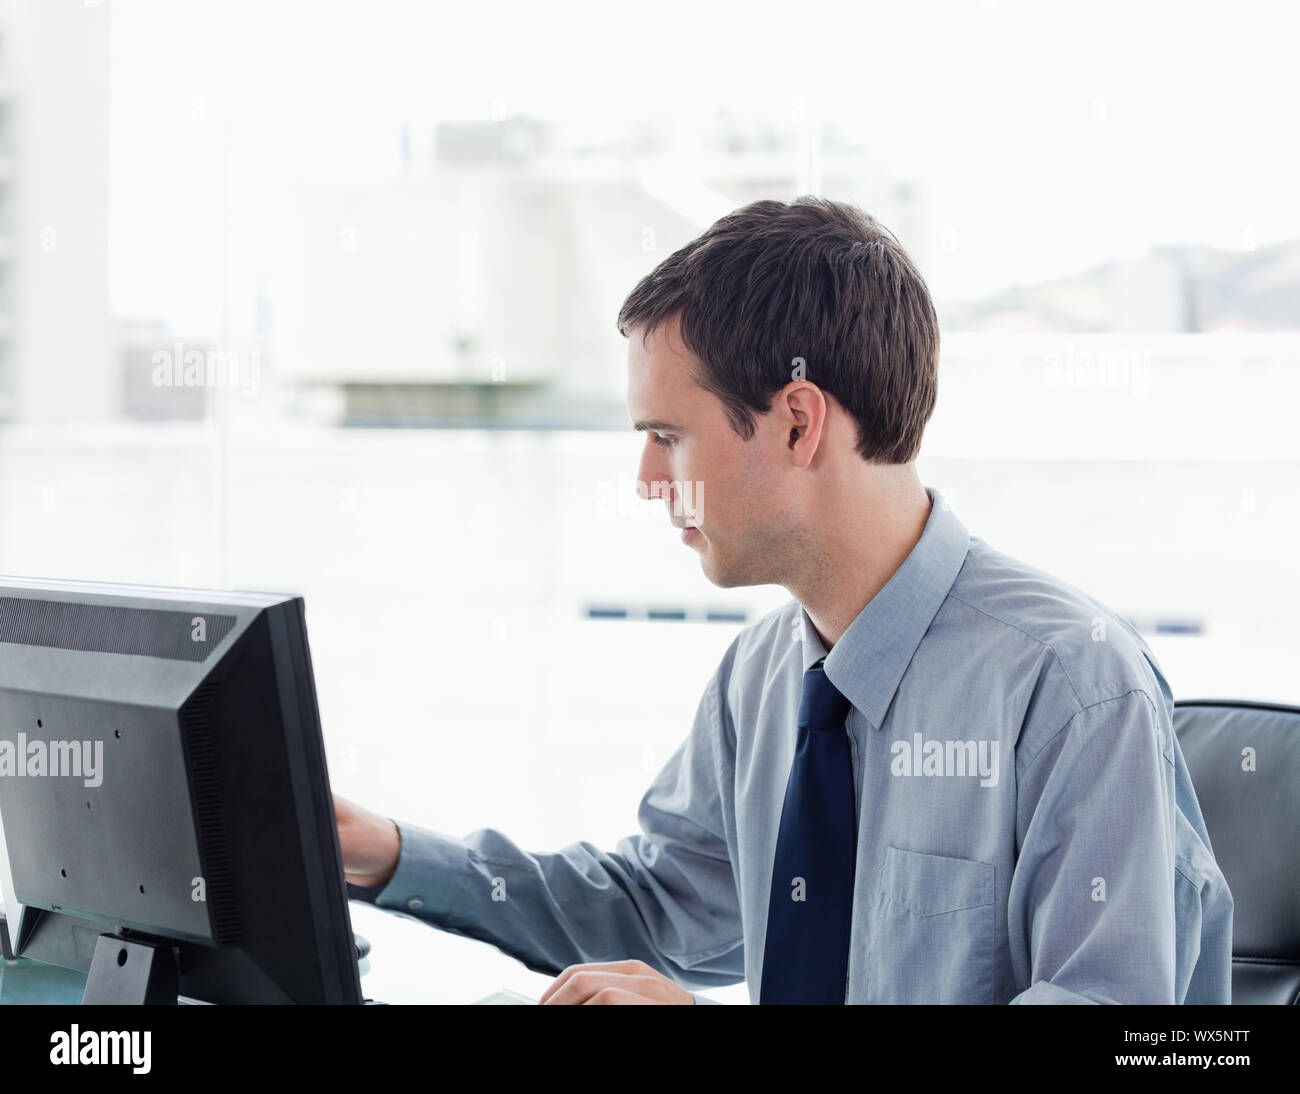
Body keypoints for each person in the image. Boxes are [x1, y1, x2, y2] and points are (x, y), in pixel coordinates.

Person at [337, 196, 1233, 1005]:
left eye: (665, 437)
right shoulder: (762, 676)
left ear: (799, 422)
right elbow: (659, 906)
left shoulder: (1073, 687)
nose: (648, 483)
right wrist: (387, 852)